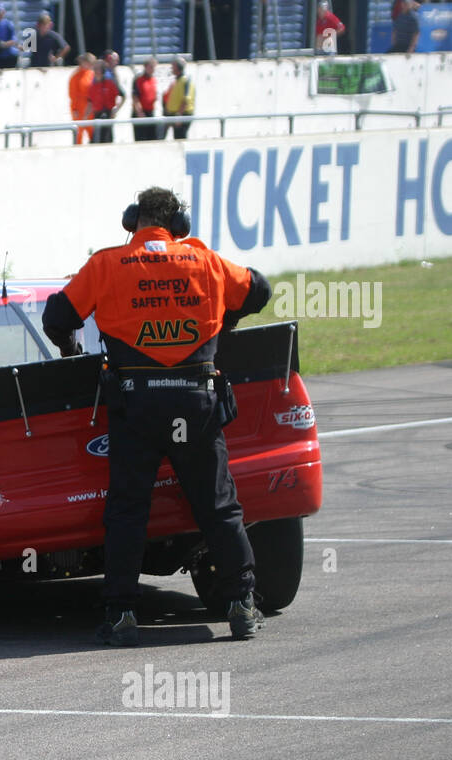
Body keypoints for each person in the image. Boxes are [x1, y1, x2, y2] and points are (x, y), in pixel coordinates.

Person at [41, 187, 272, 645]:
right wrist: (226, 323)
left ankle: (122, 613)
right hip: (196, 402)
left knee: (128, 510)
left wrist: (70, 350)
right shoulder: (204, 260)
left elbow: (56, 316)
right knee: (219, 508)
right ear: (179, 224)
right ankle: (242, 605)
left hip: (135, 404)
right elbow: (259, 289)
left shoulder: (107, 264)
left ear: (132, 221)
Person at [87, 52, 124, 144]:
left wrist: (116, 109)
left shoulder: (110, 82)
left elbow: (122, 95)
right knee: (95, 140)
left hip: (108, 113)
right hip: (97, 115)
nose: (95, 72)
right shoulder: (93, 84)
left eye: (97, 70)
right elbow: (90, 102)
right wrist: (85, 116)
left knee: (107, 139)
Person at [162, 56, 193, 139]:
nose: (171, 68)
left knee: (180, 138)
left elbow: (186, 99)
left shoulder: (185, 80)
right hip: (174, 114)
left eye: (173, 66)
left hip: (182, 115)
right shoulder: (177, 80)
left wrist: (179, 115)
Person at [68, 53, 97, 144]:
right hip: (79, 109)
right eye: (89, 63)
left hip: (91, 109)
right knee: (78, 134)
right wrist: (74, 109)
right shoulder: (75, 76)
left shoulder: (92, 74)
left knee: (93, 134)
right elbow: (73, 94)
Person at [131, 56, 160, 141]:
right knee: (141, 139)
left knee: (152, 139)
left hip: (150, 112)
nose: (153, 69)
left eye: (154, 67)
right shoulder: (138, 79)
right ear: (145, 67)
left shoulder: (153, 79)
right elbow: (135, 97)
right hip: (140, 114)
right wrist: (140, 112)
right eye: (151, 67)